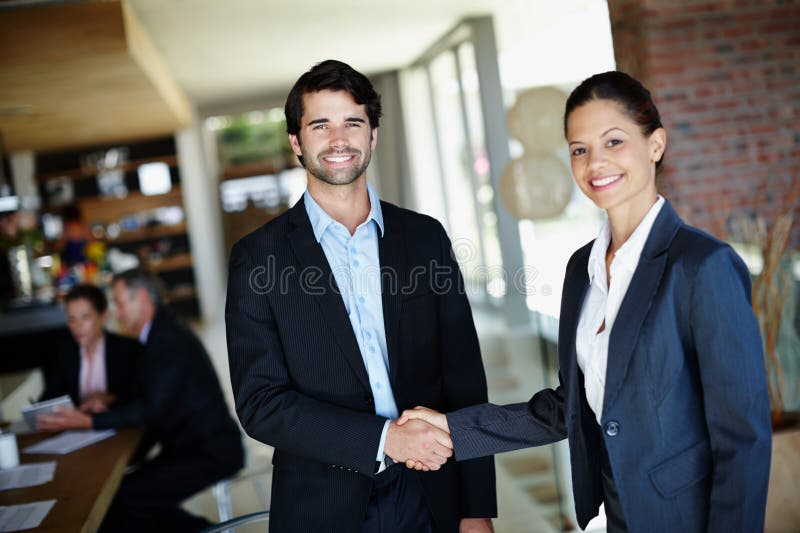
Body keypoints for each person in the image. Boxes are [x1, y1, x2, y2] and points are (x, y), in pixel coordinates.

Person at [399, 71, 772, 533]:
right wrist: (452, 430)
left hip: (687, 516)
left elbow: (743, 437)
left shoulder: (703, 266)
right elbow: (568, 407)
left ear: (655, 144)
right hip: (618, 514)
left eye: (614, 142)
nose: (596, 163)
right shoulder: (582, 269)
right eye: (580, 149)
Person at [225, 59, 496, 533]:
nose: (338, 140)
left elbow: (465, 381)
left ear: (372, 135)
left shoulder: (424, 238)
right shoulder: (257, 258)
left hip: (431, 491)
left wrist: (475, 509)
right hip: (321, 505)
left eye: (353, 122)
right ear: (296, 142)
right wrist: (385, 438)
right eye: (320, 125)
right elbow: (261, 403)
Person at [99, 269, 244, 533]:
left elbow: (150, 408)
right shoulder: (157, 334)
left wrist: (88, 421)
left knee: (125, 501)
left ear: (141, 298)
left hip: (210, 451)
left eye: (119, 303)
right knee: (122, 499)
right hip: (190, 446)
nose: (116, 314)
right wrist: (109, 403)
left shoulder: (166, 338)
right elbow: (150, 395)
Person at [37, 283, 143, 431]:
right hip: (74, 433)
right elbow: (49, 398)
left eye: (85, 317)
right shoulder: (62, 352)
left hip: (119, 430)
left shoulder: (128, 349)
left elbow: (141, 399)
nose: (78, 326)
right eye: (72, 319)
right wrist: (81, 404)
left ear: (103, 316)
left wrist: (109, 399)